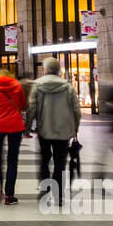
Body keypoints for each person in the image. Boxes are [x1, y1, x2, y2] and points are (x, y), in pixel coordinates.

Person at [26, 58, 81, 208]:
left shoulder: (37, 85)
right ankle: (59, 196)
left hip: (44, 129)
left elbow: (31, 108)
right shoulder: (68, 86)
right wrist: (75, 128)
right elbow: (76, 110)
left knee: (44, 160)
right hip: (64, 131)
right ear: (58, 70)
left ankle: (45, 189)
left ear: (46, 69)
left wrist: (28, 127)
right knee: (60, 163)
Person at [0, 67, 28, 206]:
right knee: (12, 160)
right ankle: (10, 195)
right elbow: (23, 105)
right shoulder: (17, 85)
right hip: (15, 125)